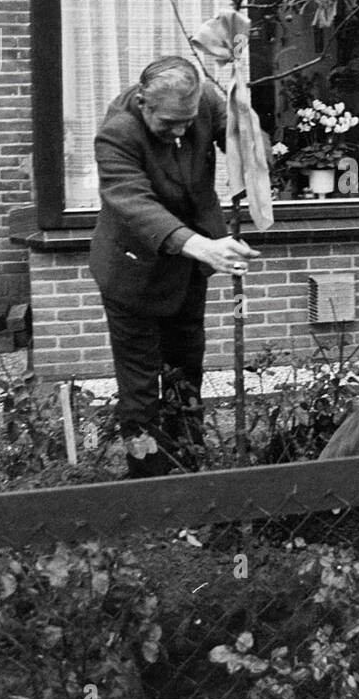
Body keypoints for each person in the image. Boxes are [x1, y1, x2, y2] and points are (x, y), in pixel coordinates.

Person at [90, 56, 258, 477]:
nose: (181, 130)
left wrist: (245, 120)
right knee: (141, 388)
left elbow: (245, 145)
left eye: (188, 120)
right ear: (143, 102)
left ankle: (189, 465)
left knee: (186, 372)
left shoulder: (202, 100)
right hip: (133, 274)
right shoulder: (117, 134)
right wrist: (199, 244)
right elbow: (135, 204)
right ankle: (147, 482)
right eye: (169, 123)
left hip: (186, 275)